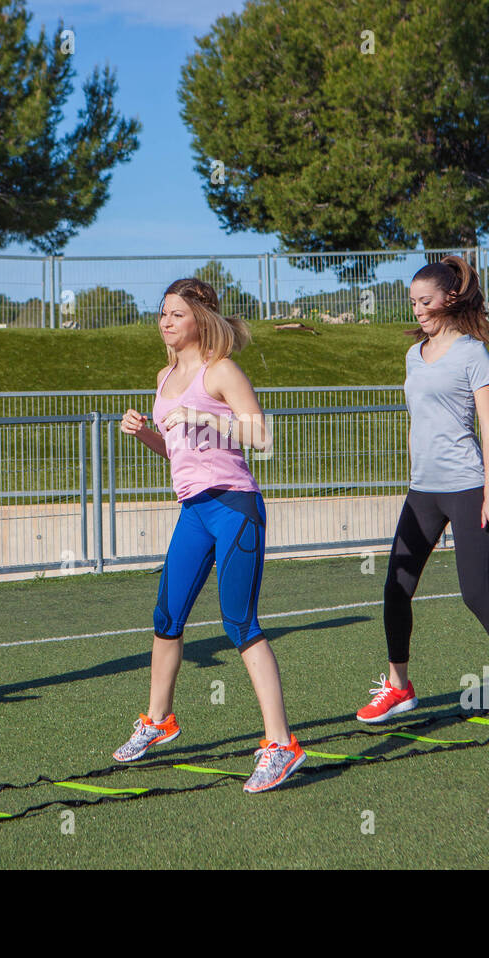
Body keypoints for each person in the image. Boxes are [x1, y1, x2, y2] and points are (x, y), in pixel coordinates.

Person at [114, 278, 304, 793]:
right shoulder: (164, 375)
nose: (165, 323)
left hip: (234, 505)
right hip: (193, 511)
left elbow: (260, 435)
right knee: (166, 617)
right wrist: (147, 434)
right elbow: (178, 454)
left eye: (176, 314)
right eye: (162, 314)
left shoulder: (221, 370)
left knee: (240, 623)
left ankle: (281, 745)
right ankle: (159, 721)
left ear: (200, 318)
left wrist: (200, 414)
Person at [355, 256, 489, 744]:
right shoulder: (413, 356)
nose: (418, 309)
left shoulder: (473, 354)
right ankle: (399, 685)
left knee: (475, 594)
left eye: (426, 300)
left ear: (449, 299)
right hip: (422, 489)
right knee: (396, 587)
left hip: (466, 488)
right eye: (413, 301)